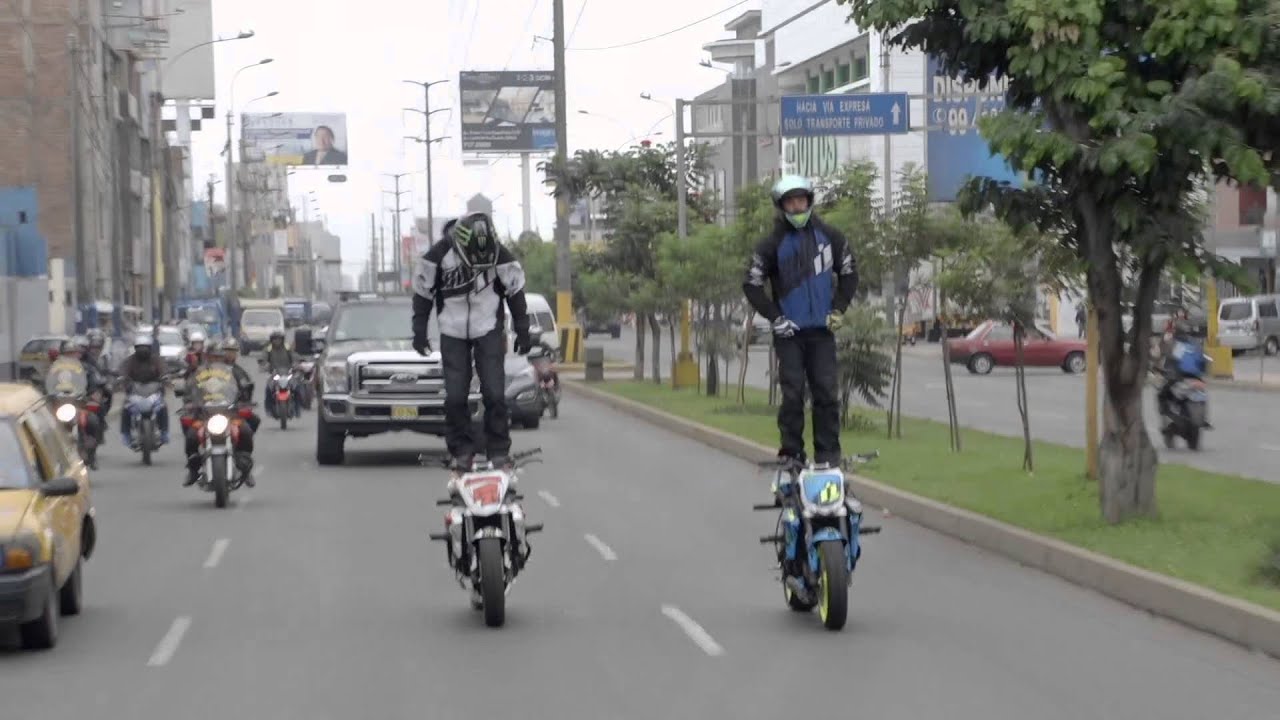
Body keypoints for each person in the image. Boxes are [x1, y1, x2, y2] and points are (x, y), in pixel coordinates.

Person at [742, 174, 859, 470]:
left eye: (801, 200)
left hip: (822, 332)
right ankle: (792, 453)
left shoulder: (831, 236)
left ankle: (828, 455)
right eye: (790, 202)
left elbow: (849, 272)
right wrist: (775, 317)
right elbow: (751, 284)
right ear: (781, 206)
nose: (797, 207)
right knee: (793, 393)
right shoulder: (770, 244)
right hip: (789, 334)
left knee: (826, 393)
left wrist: (839, 309)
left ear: (809, 201)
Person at [412, 211, 531, 471]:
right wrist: (419, 331)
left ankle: (498, 449)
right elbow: (422, 295)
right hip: (452, 330)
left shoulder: (500, 253)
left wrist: (523, 331)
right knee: (455, 396)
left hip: (488, 327)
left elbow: (516, 292)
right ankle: (461, 449)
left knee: (495, 393)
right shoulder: (437, 256)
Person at [181, 341, 256, 487]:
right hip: (204, 415)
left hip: (229, 414)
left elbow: (244, 390)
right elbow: (189, 390)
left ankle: (245, 466)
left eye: (219, 357)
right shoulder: (199, 373)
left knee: (246, 431)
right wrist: (189, 402)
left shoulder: (233, 372)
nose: (216, 360)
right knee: (191, 436)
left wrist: (244, 401)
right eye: (213, 357)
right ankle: (193, 469)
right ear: (207, 357)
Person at [48, 337, 105, 446]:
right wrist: (46, 392)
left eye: (72, 353)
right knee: (47, 424)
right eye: (67, 354)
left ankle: (92, 447)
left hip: (80, 403)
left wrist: (93, 393)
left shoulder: (86, 369)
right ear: (61, 355)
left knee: (92, 421)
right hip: (60, 404)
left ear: (78, 354)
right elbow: (48, 382)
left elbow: (93, 383)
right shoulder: (55, 369)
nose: (70, 356)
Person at [119, 333, 171, 446]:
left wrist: (165, 376)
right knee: (125, 408)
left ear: (150, 348)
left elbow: (163, 369)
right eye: (140, 347)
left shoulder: (156, 359)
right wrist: (121, 378)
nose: (143, 350)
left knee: (163, 407)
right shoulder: (130, 360)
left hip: (154, 391)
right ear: (135, 348)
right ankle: (126, 433)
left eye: (145, 347)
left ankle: (164, 432)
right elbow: (123, 370)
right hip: (135, 392)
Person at [1158, 320, 1210, 426]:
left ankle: (1167, 416)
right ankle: (1203, 418)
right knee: (1202, 392)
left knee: (1162, 394)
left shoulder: (1173, 344)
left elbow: (1169, 360)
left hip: (1178, 377)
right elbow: (1204, 361)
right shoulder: (1195, 344)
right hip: (1196, 377)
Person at [261, 330, 297, 415]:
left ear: (282, 340)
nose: (277, 341)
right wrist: (265, 364)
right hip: (274, 374)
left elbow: (294, 356)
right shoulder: (268, 349)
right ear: (271, 340)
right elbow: (263, 358)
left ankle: (297, 408)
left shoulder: (287, 347)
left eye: (279, 339)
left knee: (296, 388)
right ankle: (269, 409)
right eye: (275, 339)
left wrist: (295, 364)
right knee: (268, 390)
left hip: (287, 373)